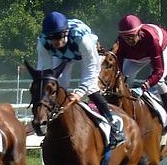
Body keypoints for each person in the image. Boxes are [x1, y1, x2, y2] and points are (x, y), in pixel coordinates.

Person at [37, 11, 123, 147]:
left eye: (59, 37)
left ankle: (113, 126)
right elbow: (44, 72)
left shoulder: (82, 40)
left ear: (65, 33)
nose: (55, 41)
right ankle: (52, 129)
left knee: (92, 88)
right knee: (58, 85)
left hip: (84, 52)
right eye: (51, 37)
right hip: (63, 55)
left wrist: (79, 92)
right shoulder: (42, 42)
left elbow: (91, 70)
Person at [115, 14, 167, 128]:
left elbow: (158, 71)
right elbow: (118, 66)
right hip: (138, 54)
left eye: (131, 36)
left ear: (139, 32)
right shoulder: (121, 42)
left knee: (159, 80)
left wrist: (143, 87)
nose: (128, 40)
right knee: (123, 80)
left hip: (161, 46)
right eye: (125, 37)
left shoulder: (151, 39)